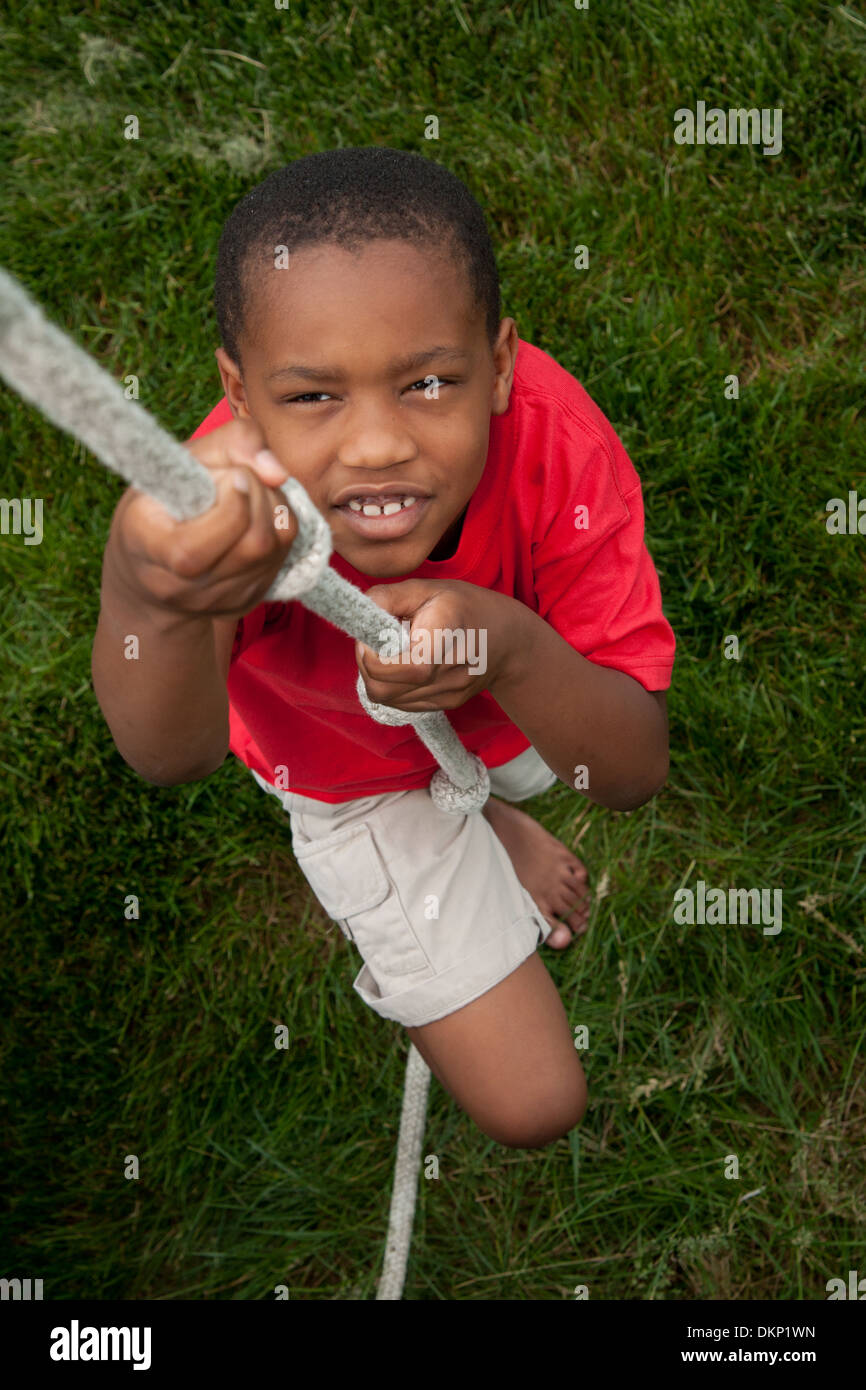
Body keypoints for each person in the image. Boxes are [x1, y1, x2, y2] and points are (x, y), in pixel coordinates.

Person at [91, 147, 674, 1150]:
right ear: (238, 394)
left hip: (511, 706)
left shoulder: (556, 447)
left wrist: (509, 650)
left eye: (427, 381)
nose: (373, 445)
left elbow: (624, 772)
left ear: (498, 365)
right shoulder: (224, 517)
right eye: (314, 395)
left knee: (540, 770)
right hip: (347, 773)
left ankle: (489, 810)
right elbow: (171, 755)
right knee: (535, 1104)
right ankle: (475, 824)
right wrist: (149, 599)